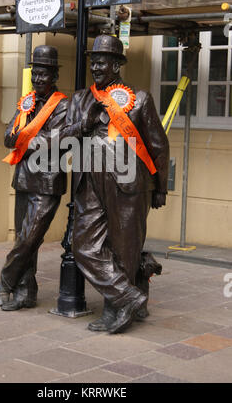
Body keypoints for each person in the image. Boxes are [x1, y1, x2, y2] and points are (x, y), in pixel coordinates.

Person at [62, 34, 169, 333]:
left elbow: (159, 145)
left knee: (125, 249)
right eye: (93, 62)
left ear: (117, 66)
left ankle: (118, 310)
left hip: (129, 183)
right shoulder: (81, 99)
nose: (96, 67)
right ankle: (130, 295)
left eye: (103, 62)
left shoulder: (140, 99)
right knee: (83, 245)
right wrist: (85, 122)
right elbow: (64, 141)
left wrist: (161, 186)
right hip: (90, 181)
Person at [0, 45, 68, 311]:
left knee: (30, 238)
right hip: (24, 178)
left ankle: (5, 282)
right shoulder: (26, 102)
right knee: (24, 240)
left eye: (44, 74)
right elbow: (8, 137)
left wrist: (25, 140)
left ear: (53, 76)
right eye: (35, 74)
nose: (38, 79)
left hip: (48, 182)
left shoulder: (62, 105)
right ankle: (26, 292)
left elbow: (58, 140)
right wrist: (28, 139)